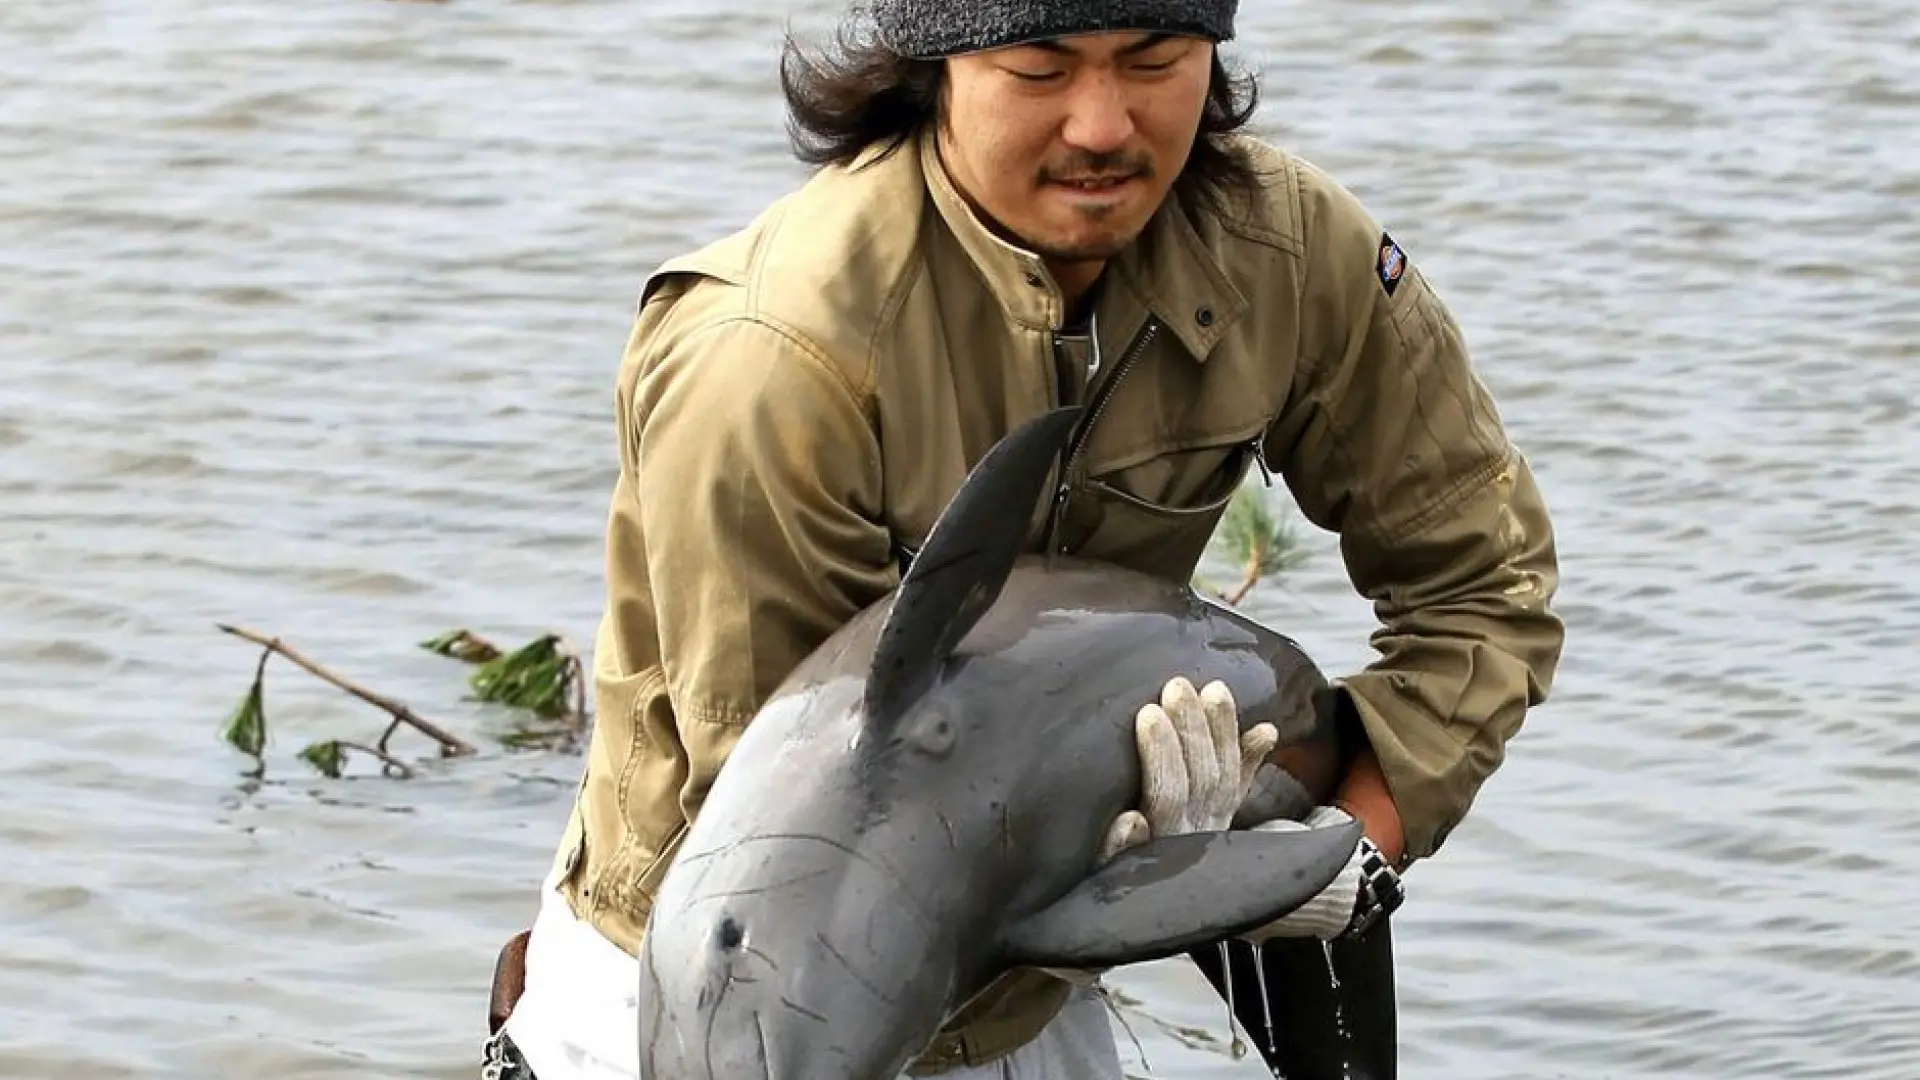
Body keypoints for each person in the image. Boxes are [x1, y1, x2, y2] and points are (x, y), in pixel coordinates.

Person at [481, 0, 1565, 1077]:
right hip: (732, 985)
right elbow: (804, 849)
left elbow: (1484, 584)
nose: (1102, 125)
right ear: (935, 63)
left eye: (1153, 59)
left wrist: (1338, 858)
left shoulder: (1286, 253)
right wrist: (1105, 877)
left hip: (1030, 989)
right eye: (1041, 70)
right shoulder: (769, 362)